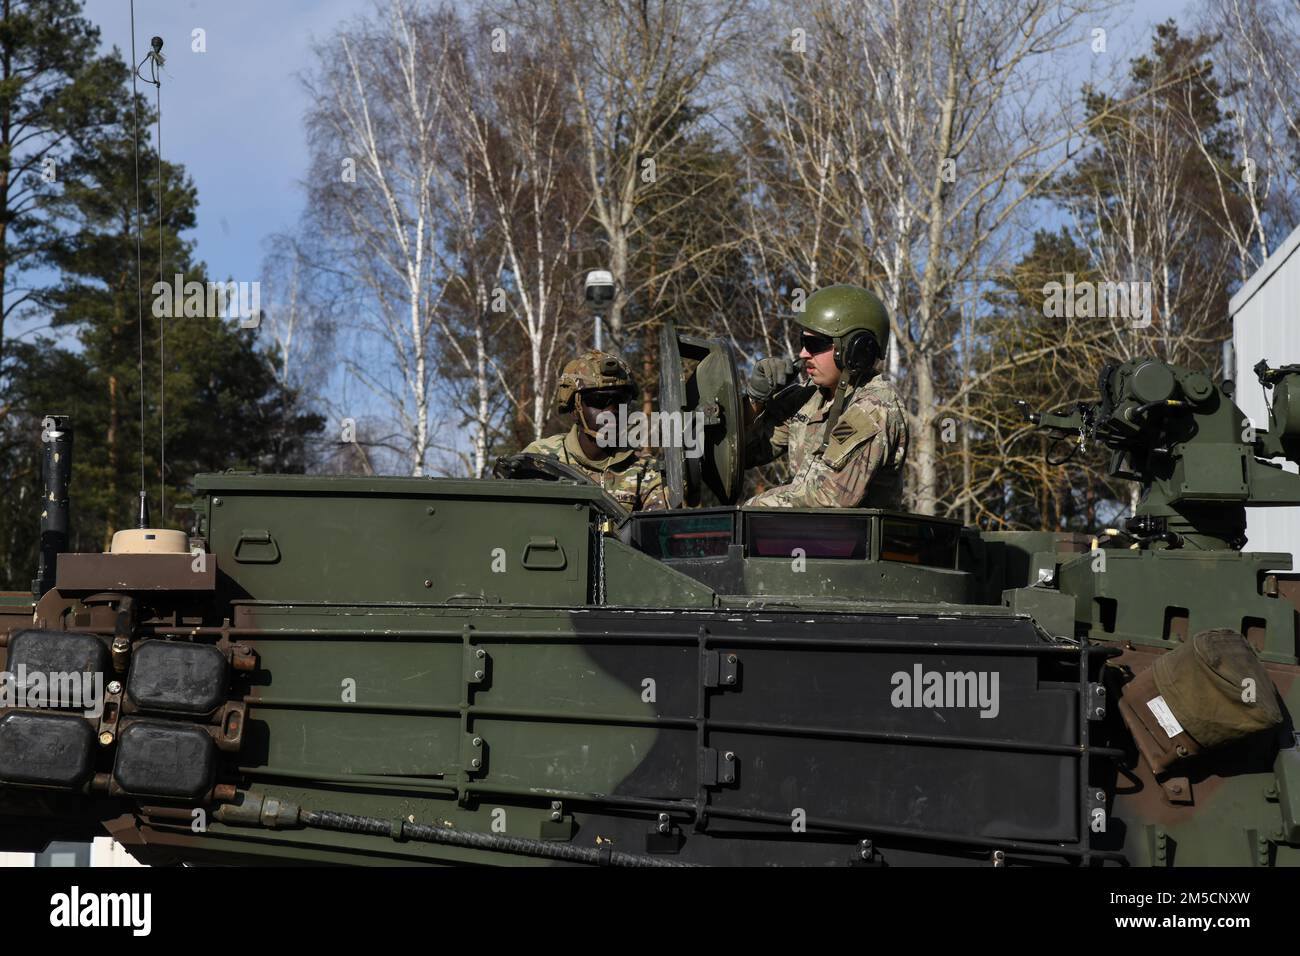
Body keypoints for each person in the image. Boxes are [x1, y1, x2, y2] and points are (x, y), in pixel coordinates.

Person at [743, 285, 909, 508]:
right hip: (807, 538)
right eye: (803, 342)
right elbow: (746, 453)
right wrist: (756, 400)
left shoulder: (875, 406)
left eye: (814, 344)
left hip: (854, 540)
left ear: (854, 350)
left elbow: (831, 496)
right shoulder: (808, 397)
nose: (803, 353)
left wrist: (750, 509)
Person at [522, 349, 671, 512]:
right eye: (599, 400)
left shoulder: (645, 470)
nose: (612, 411)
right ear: (574, 409)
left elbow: (658, 531)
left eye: (620, 401)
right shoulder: (540, 459)